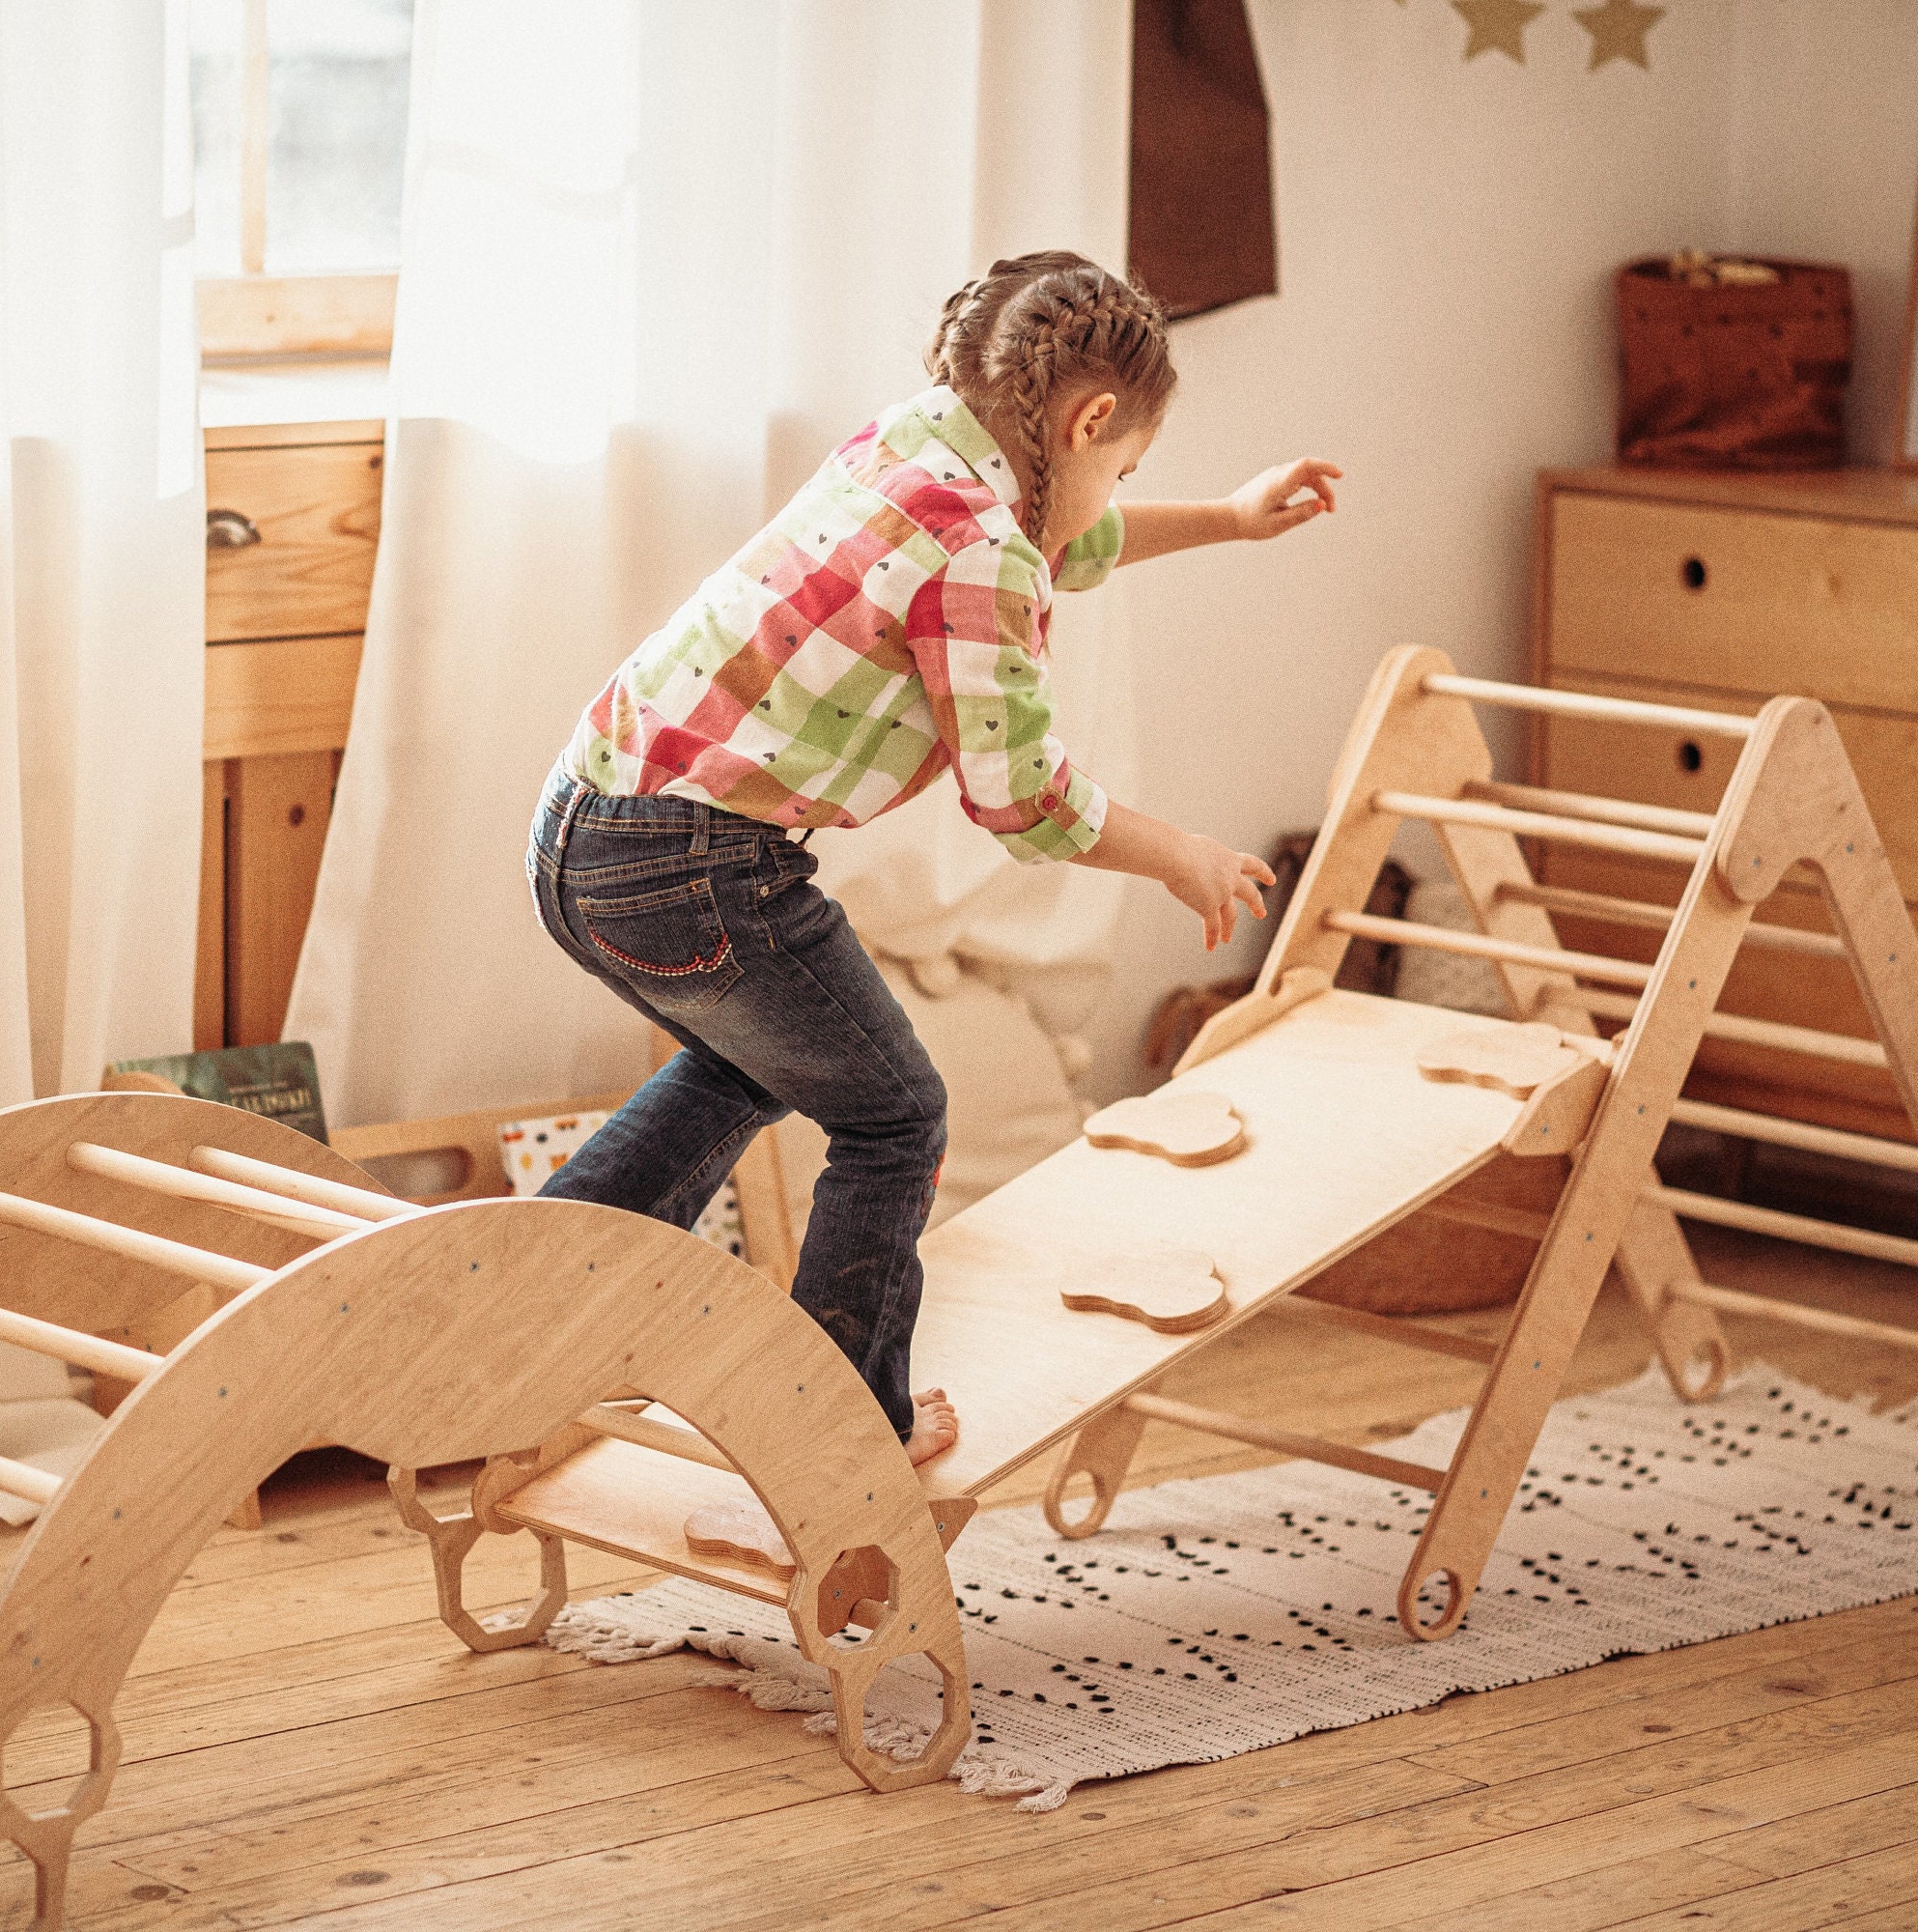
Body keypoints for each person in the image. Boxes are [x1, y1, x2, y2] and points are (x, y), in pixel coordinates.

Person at [525, 250, 1341, 1465]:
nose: (1115, 492)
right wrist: (1176, 853)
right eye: (1123, 467)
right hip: (696, 861)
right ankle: (842, 1426)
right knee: (898, 1117)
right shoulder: (982, 553)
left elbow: (1067, 533)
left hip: (586, 821)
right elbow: (1021, 799)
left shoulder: (912, 442)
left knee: (748, 1070)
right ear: (1089, 422)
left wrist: (1226, 516)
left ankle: (527, 1309)